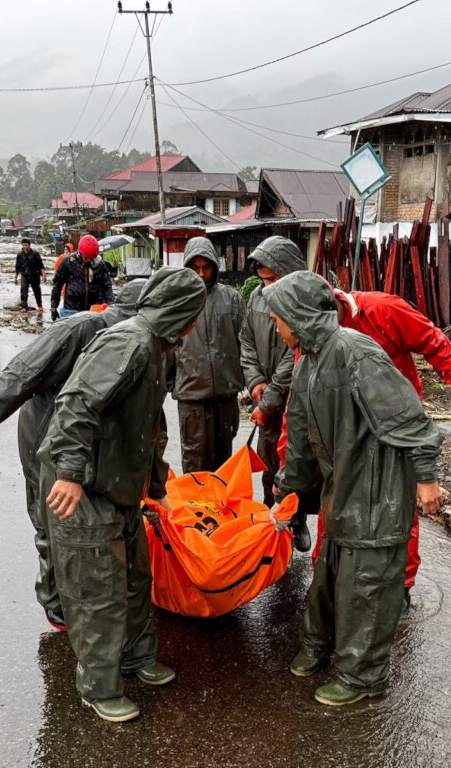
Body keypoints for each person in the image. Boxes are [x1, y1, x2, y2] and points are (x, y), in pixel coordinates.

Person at [267, 271, 443, 706]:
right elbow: (302, 435)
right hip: (340, 485)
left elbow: (410, 420)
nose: (275, 327)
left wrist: (426, 478)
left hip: (376, 488)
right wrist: (287, 491)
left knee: (367, 586)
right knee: (328, 576)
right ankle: (319, 646)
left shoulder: (356, 352)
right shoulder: (309, 359)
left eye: (277, 319)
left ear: (298, 316)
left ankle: (363, 676)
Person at [39, 267, 206, 723]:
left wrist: (155, 489)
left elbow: (147, 428)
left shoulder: (156, 348)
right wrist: (70, 472)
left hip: (121, 487)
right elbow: (76, 403)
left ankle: (135, 659)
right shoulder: (128, 342)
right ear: (180, 312)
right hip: (86, 487)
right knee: (100, 590)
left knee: (135, 579)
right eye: (194, 313)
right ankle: (98, 684)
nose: (194, 324)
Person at [0, 280, 147, 631]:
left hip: (93, 443)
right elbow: (19, 377)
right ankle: (55, 601)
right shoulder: (79, 330)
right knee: (49, 519)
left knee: (92, 522)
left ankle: (92, 595)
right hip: (46, 439)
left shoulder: (144, 345)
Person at [331, 288, 451, 606]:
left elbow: (433, 341)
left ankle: (401, 586)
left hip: (397, 424)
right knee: (337, 503)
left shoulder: (385, 311)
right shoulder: (311, 331)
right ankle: (335, 577)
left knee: (398, 507)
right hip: (346, 425)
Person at [239, 235, 308, 547]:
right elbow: (247, 343)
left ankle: (298, 518)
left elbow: (291, 358)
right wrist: (255, 383)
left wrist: (269, 398)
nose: (267, 286)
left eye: (273, 279)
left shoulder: (303, 303)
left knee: (296, 465)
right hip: (265, 395)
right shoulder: (255, 298)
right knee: (270, 464)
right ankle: (273, 520)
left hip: (294, 398)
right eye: (263, 279)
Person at [171, 237, 245, 472]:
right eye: (195, 268)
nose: (201, 274)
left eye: (206, 267)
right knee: (195, 467)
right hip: (192, 397)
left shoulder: (232, 299)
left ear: (215, 266)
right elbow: (165, 348)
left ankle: (221, 510)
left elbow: (246, 343)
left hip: (226, 396)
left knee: (224, 467)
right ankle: (196, 511)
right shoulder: (177, 301)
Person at [49, 235, 114, 320]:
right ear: (80, 253)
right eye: (86, 258)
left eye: (91, 259)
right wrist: (54, 307)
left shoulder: (100, 265)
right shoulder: (68, 262)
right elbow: (57, 285)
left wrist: (111, 306)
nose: (89, 260)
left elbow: (107, 286)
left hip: (94, 309)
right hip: (71, 309)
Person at [14, 238, 45, 314]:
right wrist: (15, 277)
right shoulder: (20, 255)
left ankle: (40, 305)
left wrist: (44, 275)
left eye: (26, 245)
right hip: (24, 275)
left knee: (37, 291)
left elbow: (40, 265)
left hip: (35, 275)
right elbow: (17, 266)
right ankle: (24, 307)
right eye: (23, 245)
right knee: (24, 290)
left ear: (29, 245)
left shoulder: (35, 254)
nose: (24, 247)